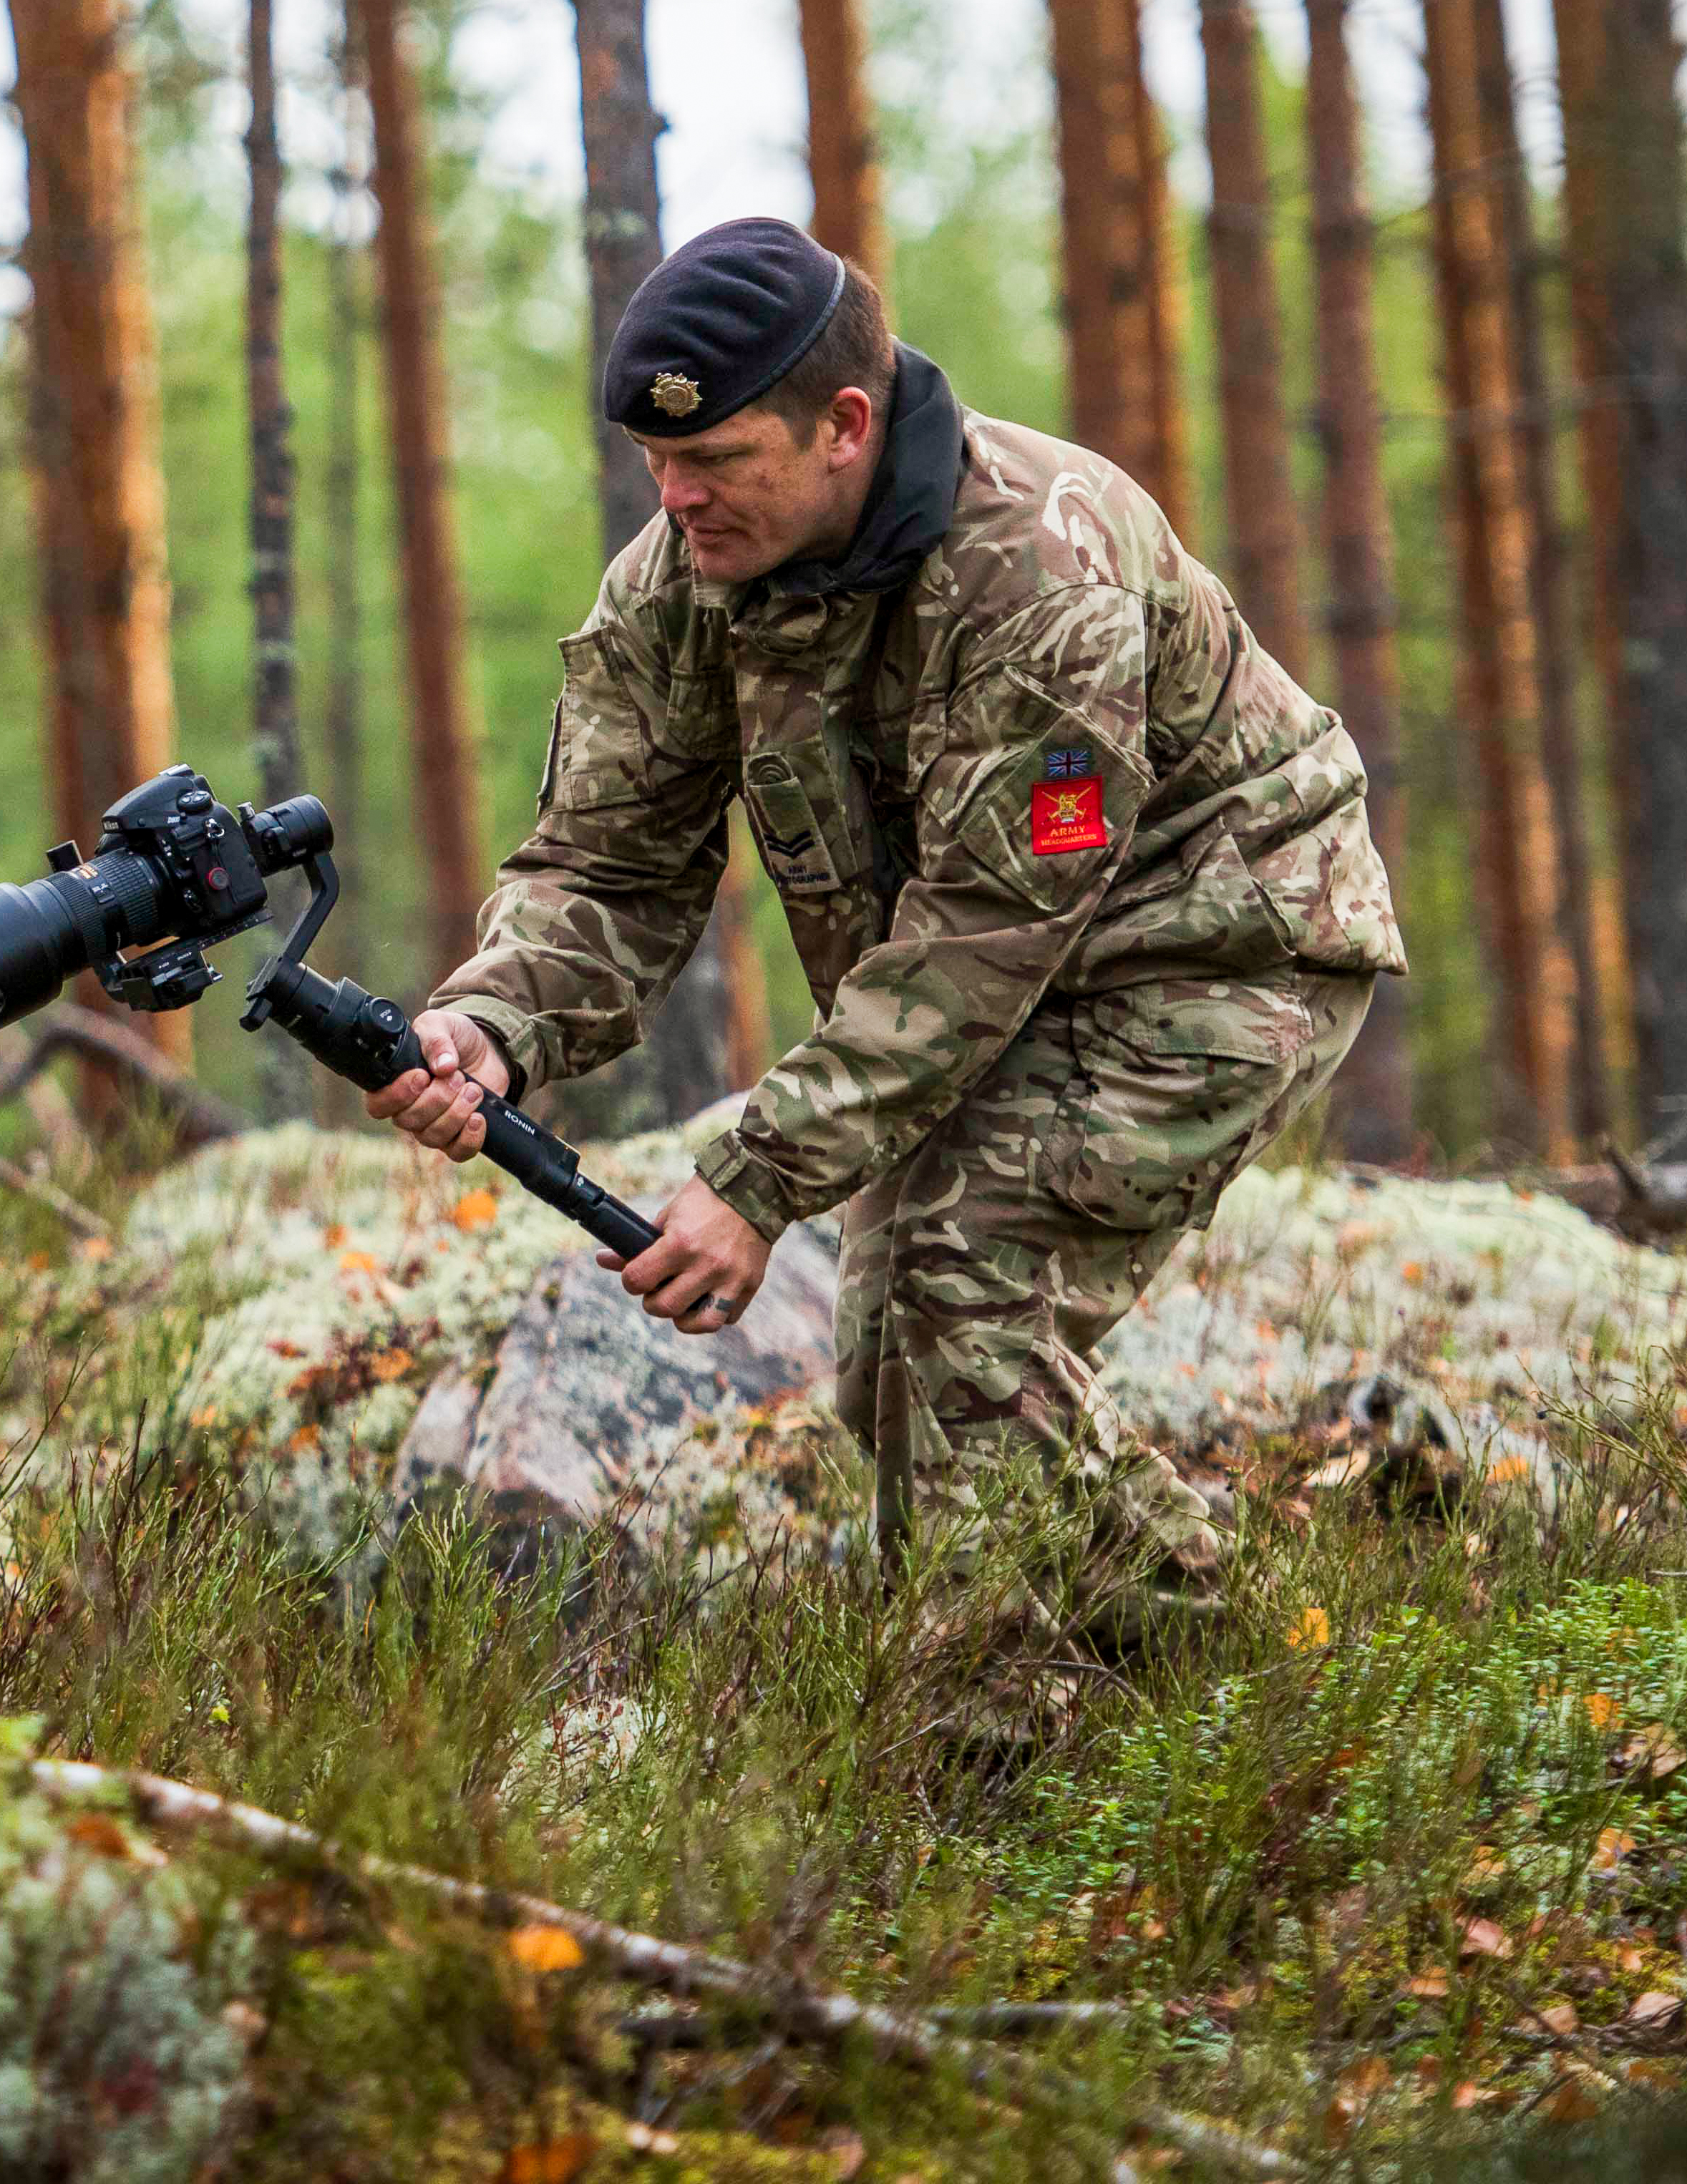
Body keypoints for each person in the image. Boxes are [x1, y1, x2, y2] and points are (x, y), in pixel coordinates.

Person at [366, 218, 1401, 1729]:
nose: (675, 494)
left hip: (1218, 936)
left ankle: (992, 1743)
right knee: (890, 1353)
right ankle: (1210, 1666)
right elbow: (607, 863)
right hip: (988, 969)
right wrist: (490, 1022)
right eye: (658, 462)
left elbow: (993, 922)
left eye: (715, 456)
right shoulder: (680, 581)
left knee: (950, 1285)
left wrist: (757, 1173)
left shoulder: (1041, 566)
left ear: (844, 424)